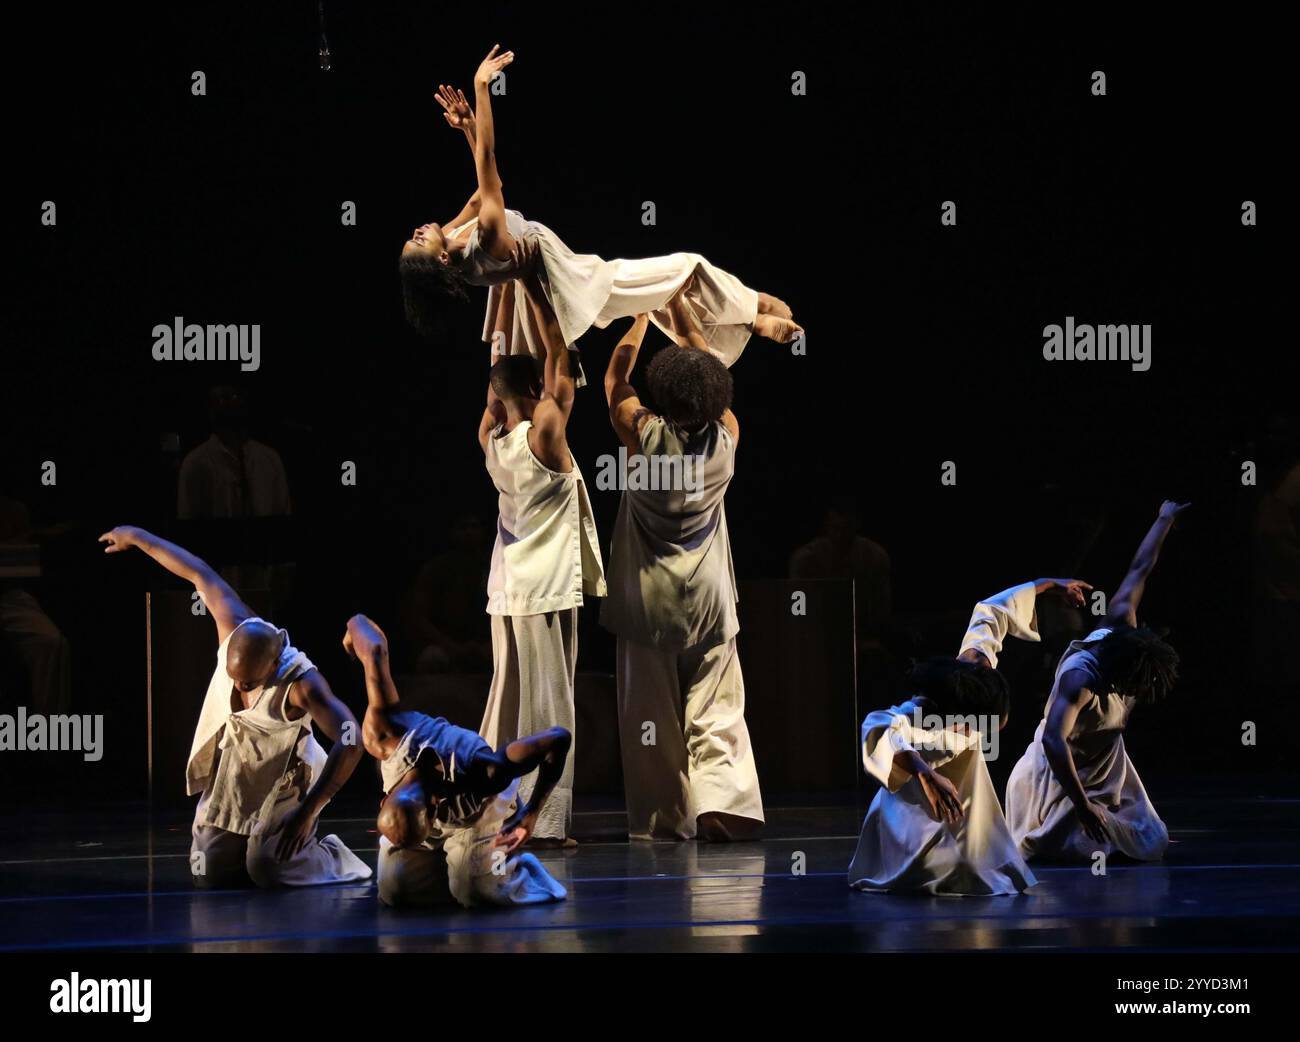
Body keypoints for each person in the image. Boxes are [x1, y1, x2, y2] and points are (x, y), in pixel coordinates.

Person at [399, 47, 802, 382]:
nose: (419, 230)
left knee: (663, 294)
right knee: (687, 266)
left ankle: (745, 323)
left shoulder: (456, 236)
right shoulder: (485, 242)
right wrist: (481, 88)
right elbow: (489, 171)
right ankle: (754, 312)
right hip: (576, 283)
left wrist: (469, 127)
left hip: (572, 274)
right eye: (419, 241)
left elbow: (485, 190)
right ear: (442, 260)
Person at [99, 525, 370, 888]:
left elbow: (352, 739)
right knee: (207, 871)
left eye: (249, 683)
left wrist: (309, 811)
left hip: (284, 778)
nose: (240, 687)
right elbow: (198, 571)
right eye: (235, 678)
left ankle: (329, 855)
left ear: (274, 667)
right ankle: (253, 844)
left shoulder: (302, 685)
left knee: (268, 869)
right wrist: (137, 537)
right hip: (237, 769)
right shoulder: (232, 624)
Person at [600, 288, 763, 842]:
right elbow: (706, 367)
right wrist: (683, 319)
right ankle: (724, 802)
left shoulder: (644, 438)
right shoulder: (726, 439)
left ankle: (665, 817)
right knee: (717, 707)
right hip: (710, 599)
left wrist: (642, 314)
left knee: (651, 719)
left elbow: (614, 383)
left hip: (648, 603)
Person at [474, 240, 605, 844]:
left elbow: (501, 380)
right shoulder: (545, 435)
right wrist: (530, 282)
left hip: (508, 590)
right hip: (546, 590)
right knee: (552, 705)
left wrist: (502, 304)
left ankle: (486, 802)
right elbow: (558, 355)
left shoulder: (492, 441)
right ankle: (545, 822)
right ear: (536, 392)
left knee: (508, 698)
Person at [846, 578, 1087, 895]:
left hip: (966, 795)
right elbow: (877, 726)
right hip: (914, 805)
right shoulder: (921, 712)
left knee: (978, 871)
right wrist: (925, 773)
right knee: (933, 875)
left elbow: (991, 611)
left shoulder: (977, 667)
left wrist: (1053, 586)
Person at [343, 613, 569, 908]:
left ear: (435, 808)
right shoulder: (382, 735)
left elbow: (558, 737)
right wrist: (352, 632)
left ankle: (512, 870)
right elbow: (372, 648)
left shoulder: (485, 772)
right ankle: (452, 867)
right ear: (385, 802)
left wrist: (533, 814)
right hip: (422, 813)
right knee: (394, 890)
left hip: (477, 811)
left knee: (475, 893)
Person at [1005, 502, 1188, 862]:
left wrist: (1164, 519)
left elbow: (1140, 569)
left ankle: (1113, 825)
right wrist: (1083, 805)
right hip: (1061, 772)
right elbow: (1054, 741)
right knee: (1076, 849)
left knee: (1152, 841)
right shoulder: (1081, 678)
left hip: (1106, 762)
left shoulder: (1123, 624)